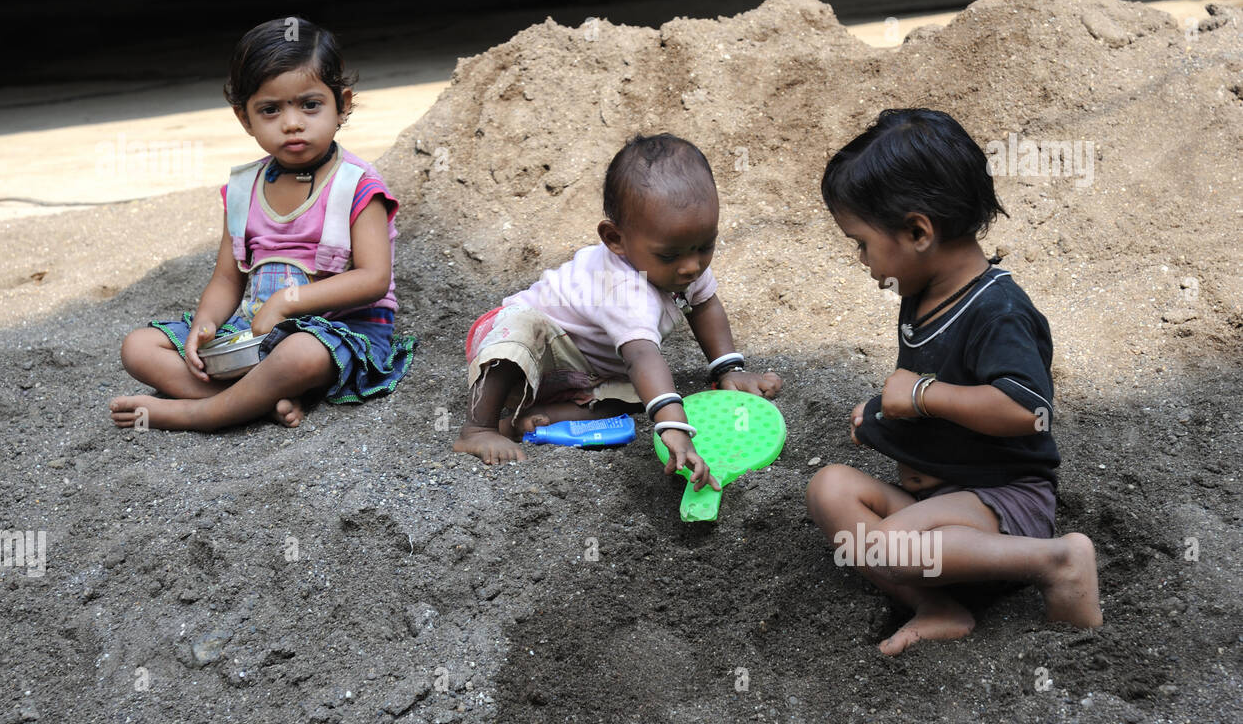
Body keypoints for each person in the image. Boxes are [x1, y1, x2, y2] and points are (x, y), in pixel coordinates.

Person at [805, 108, 1101, 655]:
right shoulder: (922, 293)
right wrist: (882, 414)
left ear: (918, 231)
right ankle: (936, 604)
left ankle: (1056, 561)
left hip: (1003, 502)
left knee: (886, 548)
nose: (862, 261)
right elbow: (940, 393)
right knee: (830, 488)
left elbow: (1023, 407)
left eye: (862, 243)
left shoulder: (999, 312)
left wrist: (918, 395)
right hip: (940, 500)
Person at [109, 17, 414, 432]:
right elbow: (227, 278)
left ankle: (202, 413)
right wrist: (206, 322)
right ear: (244, 118)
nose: (292, 122)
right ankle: (254, 400)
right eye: (270, 109)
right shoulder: (242, 189)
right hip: (253, 329)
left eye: (310, 105)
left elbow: (373, 279)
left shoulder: (357, 186)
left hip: (337, 330)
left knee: (299, 356)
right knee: (139, 347)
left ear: (341, 105)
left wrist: (287, 302)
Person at [454, 134, 782, 490]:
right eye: (670, 255)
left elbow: (704, 305)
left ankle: (532, 420)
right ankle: (479, 427)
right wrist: (674, 427)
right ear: (616, 239)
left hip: (583, 372)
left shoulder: (684, 263)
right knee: (520, 330)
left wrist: (728, 368)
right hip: (527, 350)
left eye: (705, 246)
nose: (691, 267)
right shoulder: (625, 287)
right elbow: (642, 355)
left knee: (636, 400)